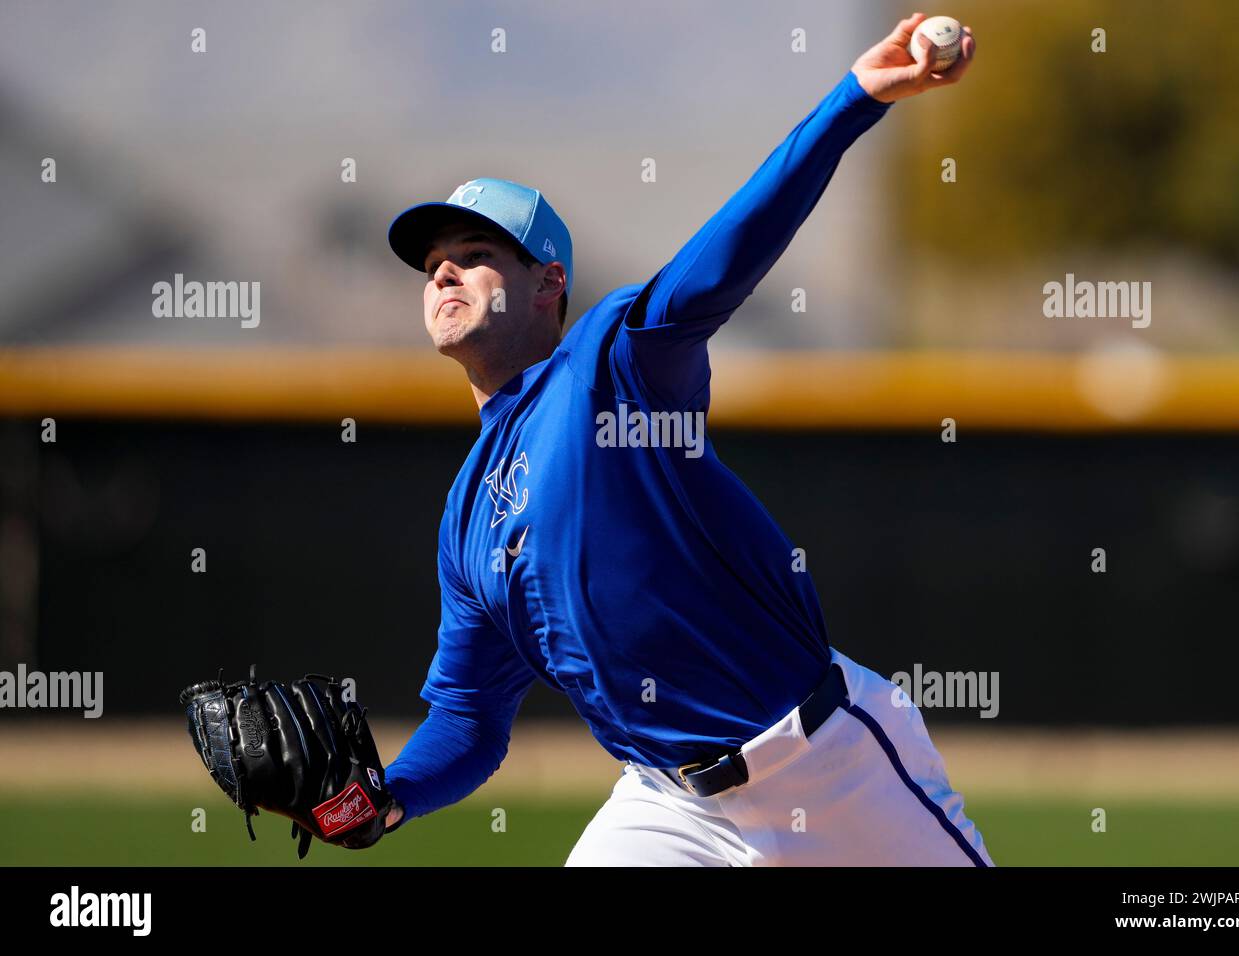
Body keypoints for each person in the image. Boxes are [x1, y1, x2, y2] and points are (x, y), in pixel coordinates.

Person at [381, 12, 990, 865]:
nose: (442, 270)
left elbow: (729, 250)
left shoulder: (612, 366)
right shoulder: (467, 517)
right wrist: (381, 799)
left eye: (475, 252)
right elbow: (469, 721)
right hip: (669, 809)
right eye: (431, 262)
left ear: (548, 281)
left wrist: (854, 100)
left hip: (826, 764)